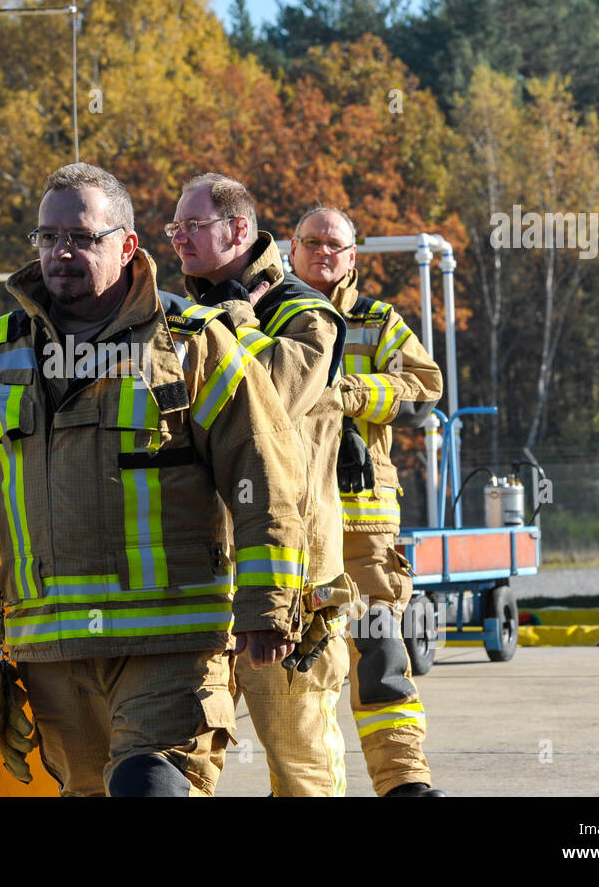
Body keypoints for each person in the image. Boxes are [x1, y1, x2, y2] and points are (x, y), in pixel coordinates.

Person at [0, 162, 309, 797]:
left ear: (127, 245)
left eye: (81, 236)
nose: (61, 252)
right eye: (48, 238)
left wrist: (268, 604)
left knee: (148, 784)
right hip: (51, 648)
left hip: (171, 642)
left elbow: (263, 470)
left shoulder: (190, 345)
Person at [172, 173, 355, 797]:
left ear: (241, 230)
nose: (180, 241)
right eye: (175, 229)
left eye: (194, 226)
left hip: (289, 581)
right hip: (203, 580)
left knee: (300, 766)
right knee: (179, 761)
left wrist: (235, 322)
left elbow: (269, 397)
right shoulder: (182, 315)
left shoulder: (305, 314)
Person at [290, 204, 446, 797]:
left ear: (352, 257)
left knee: (378, 656)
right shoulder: (266, 317)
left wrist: (350, 395)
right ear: (293, 249)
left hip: (362, 532)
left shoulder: (378, 322)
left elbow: (424, 387)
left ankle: (404, 782)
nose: (324, 252)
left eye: (336, 244)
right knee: (287, 667)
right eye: (312, 242)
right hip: (286, 528)